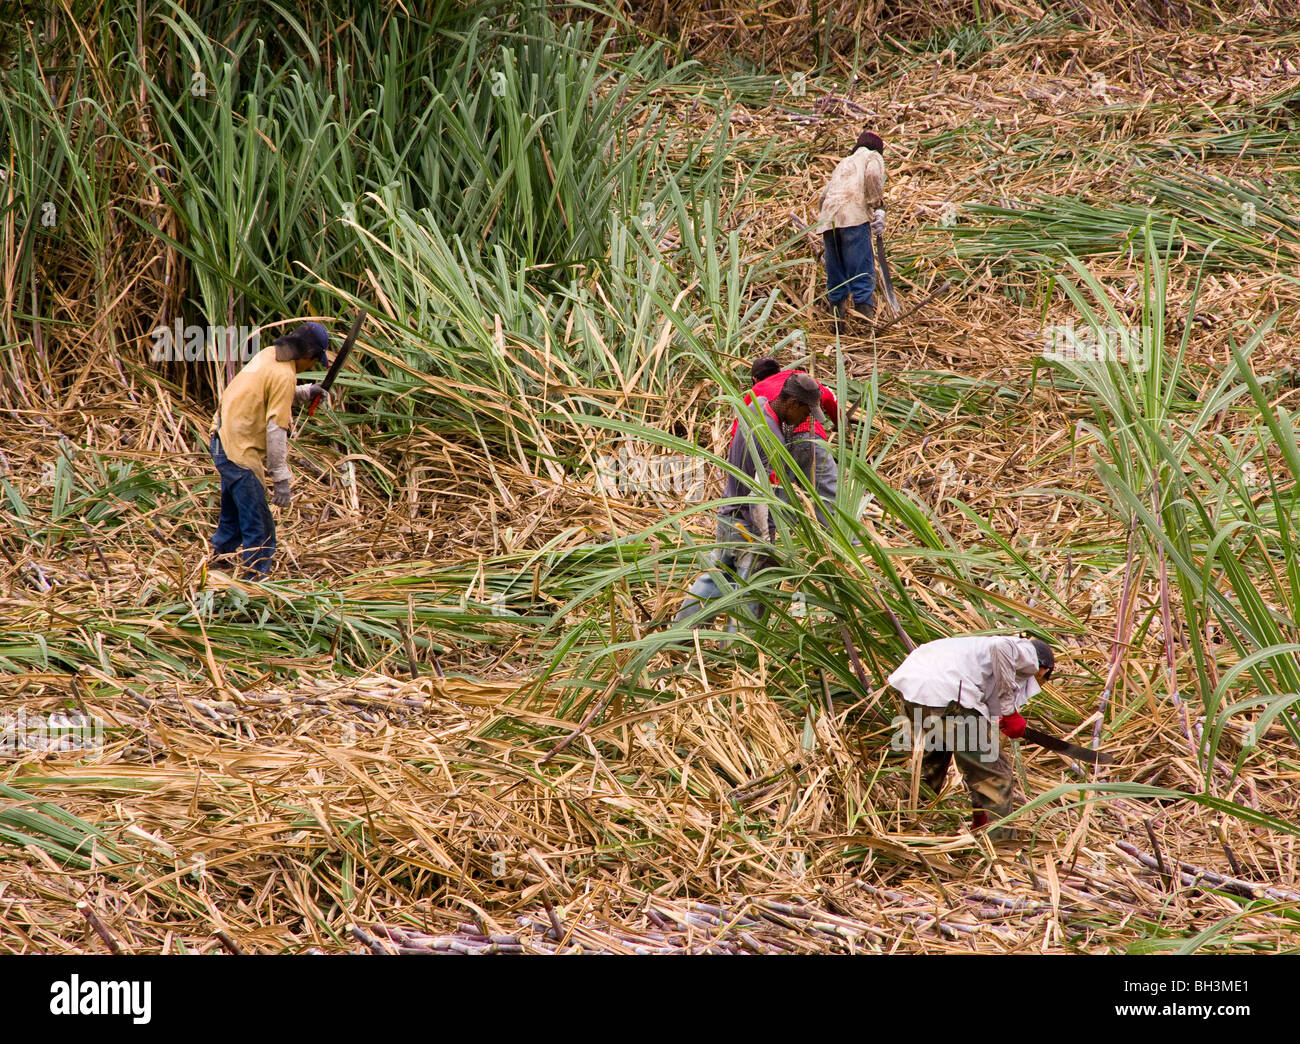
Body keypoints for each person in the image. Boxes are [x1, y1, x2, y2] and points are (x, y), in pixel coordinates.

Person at [674, 373, 838, 630]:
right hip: (749, 526)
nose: (807, 420)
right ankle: (741, 652)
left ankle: (680, 633)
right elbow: (761, 500)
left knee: (716, 576)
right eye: (806, 412)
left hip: (728, 512)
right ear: (792, 404)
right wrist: (767, 544)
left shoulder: (757, 406)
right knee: (752, 590)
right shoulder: (772, 442)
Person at [887, 635, 1054, 840]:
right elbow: (1000, 647)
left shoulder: (973, 651)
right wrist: (1010, 713)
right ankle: (1001, 850)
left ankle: (899, 828)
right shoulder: (1029, 653)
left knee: (931, 766)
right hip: (949, 692)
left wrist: (979, 809)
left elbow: (972, 761)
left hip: (915, 689)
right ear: (1044, 670)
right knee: (996, 776)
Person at [207, 321, 331, 576]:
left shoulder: (269, 355)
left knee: (234, 515)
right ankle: (255, 582)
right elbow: (276, 432)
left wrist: (306, 391)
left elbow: (268, 392)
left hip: (221, 440)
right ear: (308, 355)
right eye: (314, 362)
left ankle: (219, 563)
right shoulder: (284, 374)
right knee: (260, 527)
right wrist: (281, 478)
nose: (311, 367)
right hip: (239, 451)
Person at [813, 128, 886, 327]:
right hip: (854, 218)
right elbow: (872, 176)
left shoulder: (844, 163)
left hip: (829, 221)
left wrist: (827, 218)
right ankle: (866, 326)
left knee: (836, 273)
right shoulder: (873, 157)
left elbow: (823, 196)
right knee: (861, 270)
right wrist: (877, 206)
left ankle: (837, 324)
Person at [730, 358, 839, 444]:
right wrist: (840, 424)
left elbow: (739, 427)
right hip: (812, 435)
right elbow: (828, 397)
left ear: (755, 379)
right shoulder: (796, 377)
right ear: (779, 371)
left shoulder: (755, 391)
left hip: (781, 444)